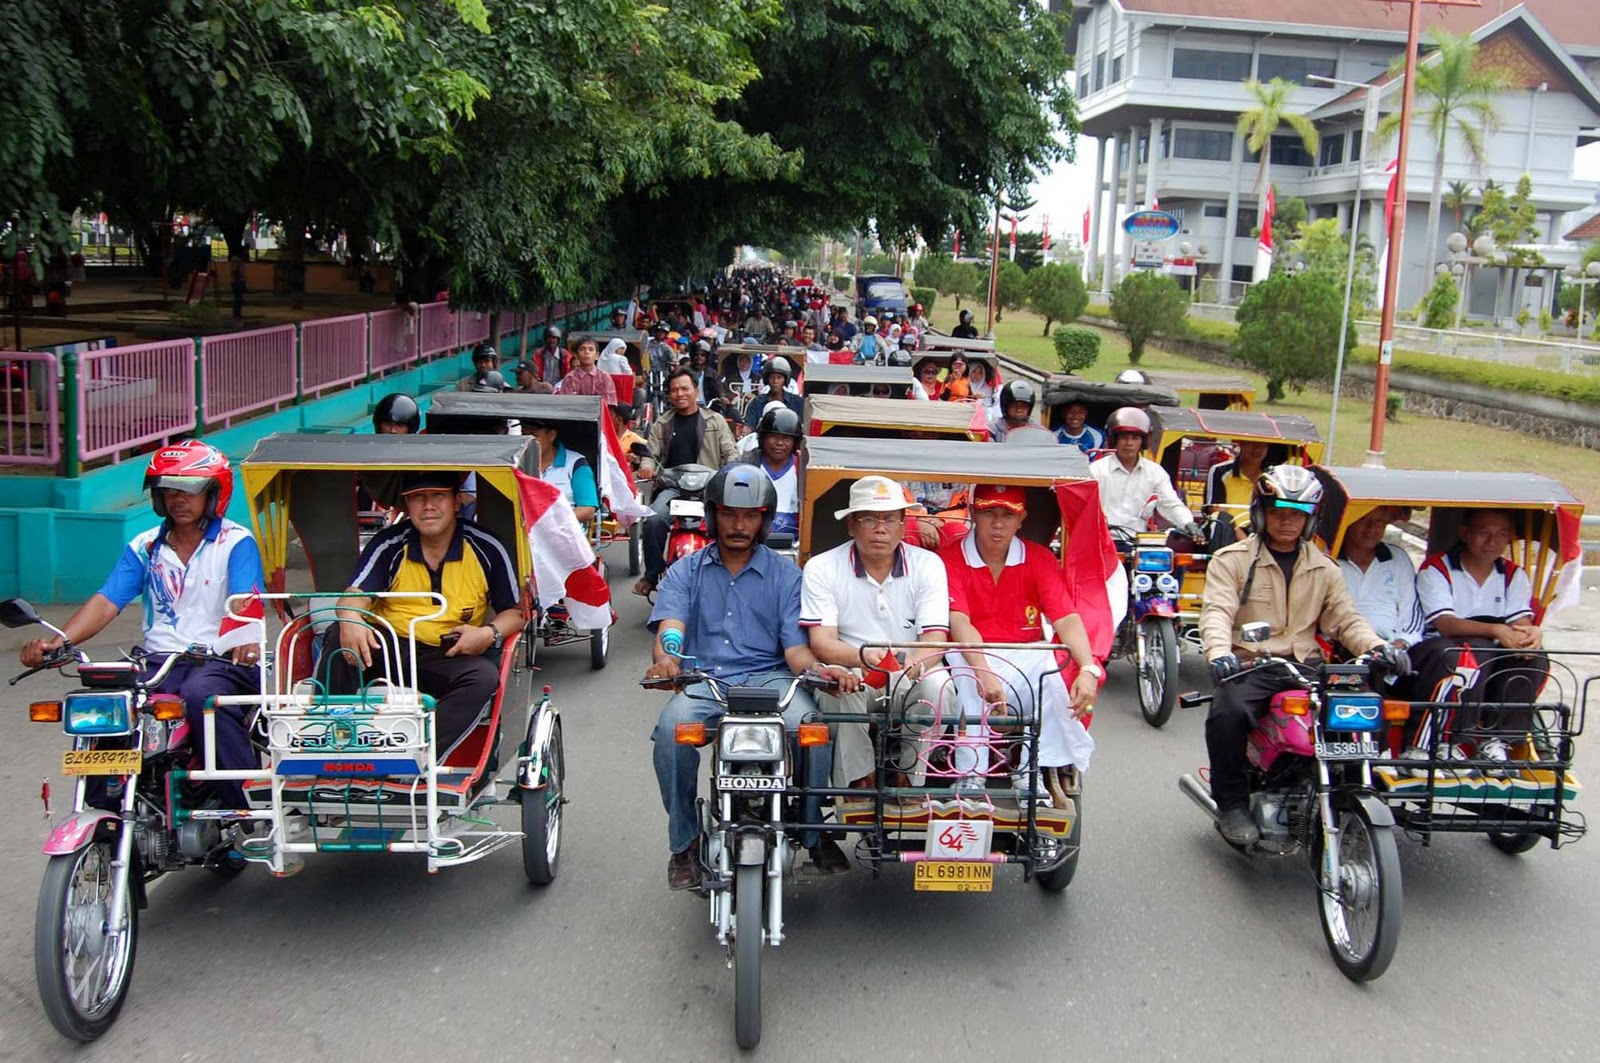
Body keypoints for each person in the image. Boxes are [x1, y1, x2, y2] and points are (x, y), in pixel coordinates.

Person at [20, 441, 265, 810]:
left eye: (189, 490)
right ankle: (104, 807)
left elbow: (245, 599)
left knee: (203, 697)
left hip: (220, 663)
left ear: (214, 494)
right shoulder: (145, 545)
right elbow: (108, 600)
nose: (177, 499)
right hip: (158, 664)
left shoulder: (235, 543)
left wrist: (243, 638)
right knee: (106, 703)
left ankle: (246, 804)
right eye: (168, 491)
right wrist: (59, 640)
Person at [647, 467, 859, 888]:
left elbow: (796, 651)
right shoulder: (684, 572)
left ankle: (813, 831)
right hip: (705, 682)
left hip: (772, 680)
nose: (739, 525)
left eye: (751, 515)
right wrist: (669, 660)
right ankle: (684, 844)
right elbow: (671, 629)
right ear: (712, 515)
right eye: (728, 514)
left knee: (814, 729)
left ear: (765, 518)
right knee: (672, 732)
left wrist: (821, 671)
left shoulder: (786, 576)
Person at [1198, 467, 1405, 845]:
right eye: (1279, 511)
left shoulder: (1324, 567)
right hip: (1253, 663)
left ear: (1310, 518)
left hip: (1306, 665)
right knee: (1227, 710)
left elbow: (1345, 618)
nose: (1287, 521)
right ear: (1261, 513)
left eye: (1296, 513)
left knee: (1368, 705)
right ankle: (1231, 803)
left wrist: (1377, 648)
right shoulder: (1232, 560)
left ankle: (1358, 786)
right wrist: (1218, 654)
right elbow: (1217, 611)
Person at [326, 470, 522, 761]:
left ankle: (419, 755)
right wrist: (350, 617)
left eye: (438, 496)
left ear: (456, 502)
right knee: (338, 636)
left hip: (448, 654)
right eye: (418, 498)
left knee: (483, 677)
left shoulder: (486, 547)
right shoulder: (389, 544)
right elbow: (354, 595)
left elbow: (516, 613)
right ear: (407, 506)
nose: (428, 506)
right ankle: (329, 740)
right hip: (389, 649)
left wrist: (486, 633)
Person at [941, 484, 1103, 807]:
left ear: (1021, 519)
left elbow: (1066, 619)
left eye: (1007, 515)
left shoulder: (1039, 559)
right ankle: (971, 774)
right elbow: (960, 623)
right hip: (969, 650)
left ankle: (1033, 768)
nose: (998, 524)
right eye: (989, 513)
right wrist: (984, 671)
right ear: (973, 514)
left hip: (1024, 651)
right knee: (969, 675)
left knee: (1052, 677)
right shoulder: (949, 557)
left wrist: (1088, 668)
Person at [801, 476, 953, 788]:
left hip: (909, 670)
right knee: (838, 687)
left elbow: (935, 639)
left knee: (939, 687)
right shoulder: (822, 567)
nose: (880, 528)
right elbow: (822, 642)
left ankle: (911, 777)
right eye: (869, 518)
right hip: (854, 668)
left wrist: (916, 663)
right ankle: (858, 783)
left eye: (889, 519)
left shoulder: (928, 565)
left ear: (902, 525)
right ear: (852, 525)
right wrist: (861, 657)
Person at [1407, 508, 1549, 764]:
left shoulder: (1512, 574)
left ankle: (1500, 740)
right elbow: (1445, 623)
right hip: (1439, 648)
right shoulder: (1437, 568)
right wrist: (1495, 630)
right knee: (1476, 652)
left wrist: (1530, 634)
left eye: (1502, 534)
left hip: (1488, 651)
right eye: (1485, 533)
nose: (1492, 542)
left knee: (1531, 657)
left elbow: (1520, 621)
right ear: (1465, 533)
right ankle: (1457, 738)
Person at [634, 367, 740, 596]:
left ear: (695, 390)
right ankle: (652, 574)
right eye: (674, 390)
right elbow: (649, 456)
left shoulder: (715, 420)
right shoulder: (662, 423)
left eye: (684, 388)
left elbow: (731, 454)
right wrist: (646, 470)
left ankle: (733, 575)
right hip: (673, 488)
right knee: (653, 521)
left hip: (709, 488)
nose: (679, 394)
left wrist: (732, 471)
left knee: (730, 524)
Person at [1089, 407, 1204, 547]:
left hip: (1139, 541)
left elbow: (1170, 504)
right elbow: (1085, 506)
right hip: (1101, 540)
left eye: (1135, 438)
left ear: (1143, 442)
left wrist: (1188, 523)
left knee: (1173, 566)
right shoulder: (1096, 470)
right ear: (1114, 440)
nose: (1129, 443)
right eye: (1124, 437)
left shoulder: (1155, 472)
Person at [1336, 507, 1424, 653]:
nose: (1371, 528)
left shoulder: (1397, 557)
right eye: (1363, 520)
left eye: (1379, 521)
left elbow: (1411, 610)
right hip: (1343, 643)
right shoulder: (1330, 559)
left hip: (1392, 645)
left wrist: (1402, 642)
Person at [738, 406, 803, 538]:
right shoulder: (745, 464)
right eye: (773, 437)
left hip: (793, 543)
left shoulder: (802, 468)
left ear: (794, 442)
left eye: (786, 438)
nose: (779, 443)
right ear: (762, 439)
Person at [522, 419, 600, 524]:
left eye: (533, 436)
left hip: (563, 532)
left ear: (551, 435)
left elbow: (587, 510)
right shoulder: (517, 463)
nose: (527, 441)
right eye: (523, 434)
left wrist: (549, 523)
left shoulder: (576, 463)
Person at [1205, 440, 1271, 510]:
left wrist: (1273, 502)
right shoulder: (1219, 471)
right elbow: (1214, 509)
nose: (1257, 449)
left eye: (1263, 443)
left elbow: (1283, 504)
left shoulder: (1275, 474)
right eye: (1251, 442)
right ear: (1241, 443)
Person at [741, 356, 803, 428]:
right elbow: (749, 426)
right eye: (772, 377)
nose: (775, 381)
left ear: (785, 379)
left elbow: (801, 428)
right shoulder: (757, 402)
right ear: (767, 379)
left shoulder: (797, 402)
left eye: (779, 377)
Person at [555, 337, 618, 403]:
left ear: (597, 355)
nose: (587, 352)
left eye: (591, 349)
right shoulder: (569, 378)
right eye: (582, 349)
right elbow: (565, 404)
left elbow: (609, 405)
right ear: (576, 355)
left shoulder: (604, 377)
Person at [529, 326, 570, 392]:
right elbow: (534, 373)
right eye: (549, 338)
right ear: (545, 339)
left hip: (560, 389)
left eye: (554, 338)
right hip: (542, 388)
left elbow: (568, 373)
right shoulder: (538, 355)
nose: (551, 340)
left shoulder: (565, 355)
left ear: (558, 340)